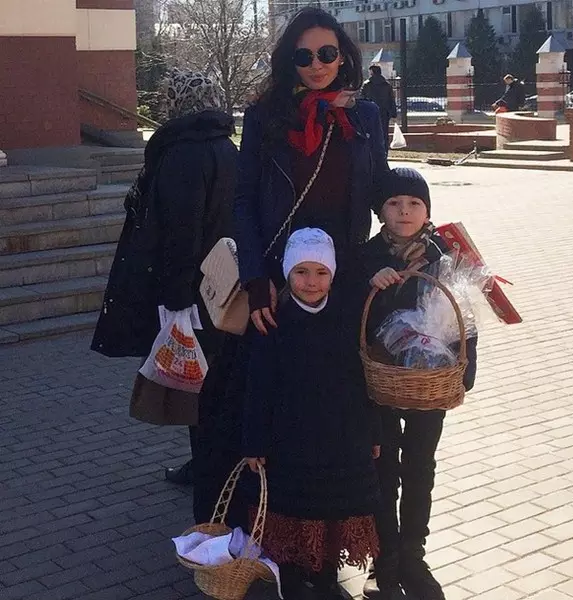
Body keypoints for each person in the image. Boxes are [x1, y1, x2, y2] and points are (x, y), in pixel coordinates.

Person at [91, 69, 239, 487]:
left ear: (175, 101)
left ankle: (211, 472)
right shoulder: (226, 148)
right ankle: (211, 465)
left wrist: (175, 299)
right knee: (212, 383)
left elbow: (181, 230)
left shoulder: (182, 153)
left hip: (191, 290)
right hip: (221, 285)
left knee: (200, 386)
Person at [358, 168, 478, 600]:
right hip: (382, 383)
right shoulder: (366, 257)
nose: (404, 211)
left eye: (414, 203)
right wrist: (371, 284)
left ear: (427, 209)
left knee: (420, 468)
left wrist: (464, 372)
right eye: (394, 203)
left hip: (431, 381)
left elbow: (465, 314)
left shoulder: (446, 253)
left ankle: (414, 556)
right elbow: (355, 319)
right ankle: (383, 559)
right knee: (383, 469)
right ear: (380, 211)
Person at [234, 6, 389, 338]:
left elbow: (380, 189)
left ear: (343, 57)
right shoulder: (264, 117)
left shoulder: (365, 116)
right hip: (280, 276)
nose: (316, 65)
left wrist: (416, 225)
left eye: (326, 53)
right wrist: (256, 278)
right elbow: (242, 199)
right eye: (304, 56)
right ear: (292, 62)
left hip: (344, 270)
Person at [243, 228, 381, 600]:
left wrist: (372, 433)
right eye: (301, 272)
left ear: (332, 275)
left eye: (321, 273)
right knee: (292, 512)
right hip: (290, 438)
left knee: (332, 511)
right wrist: (254, 441)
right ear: (287, 274)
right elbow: (258, 388)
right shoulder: (272, 322)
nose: (311, 282)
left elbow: (360, 380)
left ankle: (325, 580)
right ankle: (290, 579)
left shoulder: (347, 316)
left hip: (340, 436)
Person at [361, 65, 397, 155]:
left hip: (369, 113)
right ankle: (384, 153)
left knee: (370, 133)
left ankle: (372, 153)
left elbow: (362, 98)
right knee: (384, 134)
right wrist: (393, 113)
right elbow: (391, 100)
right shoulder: (387, 85)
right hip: (384, 113)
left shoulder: (367, 84)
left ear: (372, 72)